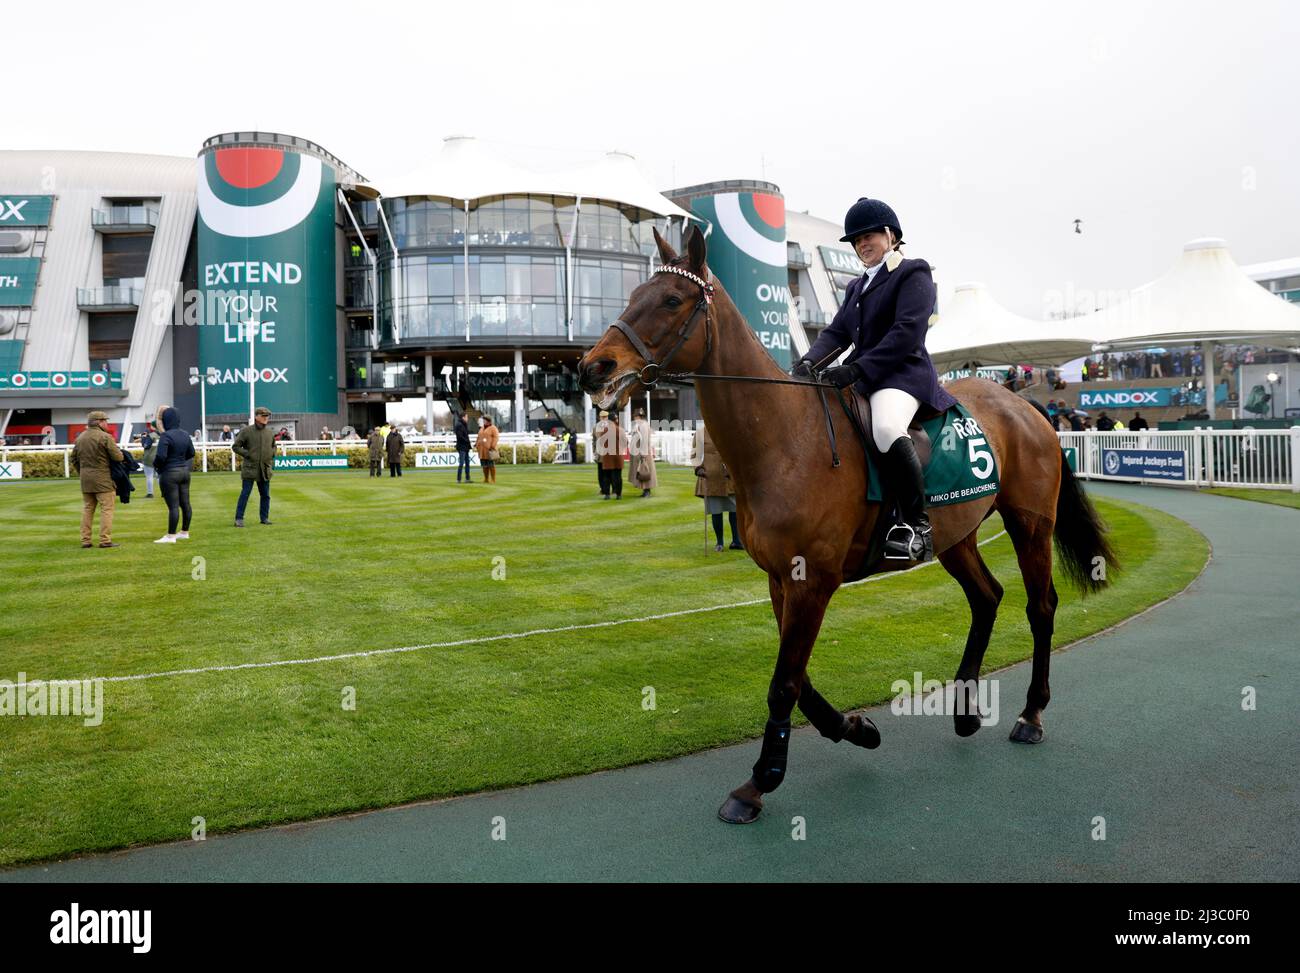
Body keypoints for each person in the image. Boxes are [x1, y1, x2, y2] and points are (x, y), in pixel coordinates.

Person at [790, 197, 957, 562]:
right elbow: (836, 334)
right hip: (864, 379)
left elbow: (906, 332)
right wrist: (807, 364)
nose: (862, 245)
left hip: (903, 375)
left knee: (884, 428)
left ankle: (917, 525)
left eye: (869, 236)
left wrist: (858, 369)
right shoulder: (855, 287)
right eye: (855, 240)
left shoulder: (914, 271)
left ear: (891, 235)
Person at [72, 410, 125, 548]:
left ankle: (86, 540)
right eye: (105, 421)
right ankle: (105, 540)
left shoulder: (80, 437)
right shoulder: (105, 437)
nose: (107, 423)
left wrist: (82, 472)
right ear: (99, 422)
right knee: (107, 509)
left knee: (88, 509)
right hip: (103, 479)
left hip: (86, 479)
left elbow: (74, 459)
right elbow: (118, 457)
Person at [694, 424, 742, 552]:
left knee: (735, 510)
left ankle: (736, 541)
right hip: (711, 478)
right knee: (716, 510)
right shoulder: (700, 433)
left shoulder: (730, 430)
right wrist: (698, 468)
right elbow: (695, 455)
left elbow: (738, 451)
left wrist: (733, 467)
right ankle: (719, 542)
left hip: (729, 478)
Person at [152, 405, 195, 543]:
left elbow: (161, 457)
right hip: (184, 471)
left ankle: (171, 536)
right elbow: (192, 452)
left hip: (170, 473)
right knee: (186, 504)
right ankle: (184, 532)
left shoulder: (166, 435)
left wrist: (157, 466)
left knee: (173, 506)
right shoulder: (185, 434)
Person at [233, 406, 276, 526]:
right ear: (257, 417)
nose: (266, 418)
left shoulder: (269, 432)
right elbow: (235, 447)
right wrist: (248, 454)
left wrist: (271, 454)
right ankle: (239, 518)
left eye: (267, 416)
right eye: (263, 416)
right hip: (250, 469)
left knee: (266, 496)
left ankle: (264, 518)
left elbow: (274, 446)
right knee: (245, 494)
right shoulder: (246, 431)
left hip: (265, 469)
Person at [593, 409, 626, 499]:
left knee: (606, 476)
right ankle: (618, 495)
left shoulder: (604, 430)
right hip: (618, 456)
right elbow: (625, 443)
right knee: (618, 476)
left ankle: (607, 494)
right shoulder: (621, 430)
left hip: (607, 457)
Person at [627, 407, 658, 498]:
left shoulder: (643, 425)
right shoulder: (638, 425)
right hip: (638, 452)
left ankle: (647, 491)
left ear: (638, 416)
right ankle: (645, 490)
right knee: (641, 472)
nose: (634, 418)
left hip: (643, 453)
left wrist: (643, 454)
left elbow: (644, 440)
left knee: (645, 471)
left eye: (635, 416)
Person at [476, 415, 500, 483]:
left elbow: (496, 437)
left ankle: (493, 479)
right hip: (482, 450)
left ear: (488, 421)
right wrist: (477, 444)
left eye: (485, 420)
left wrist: (492, 446)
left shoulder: (493, 428)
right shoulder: (482, 428)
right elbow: (478, 437)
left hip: (489, 450)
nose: (483, 421)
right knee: (484, 465)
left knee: (491, 465)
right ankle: (486, 479)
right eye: (483, 420)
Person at [138, 422, 159, 498]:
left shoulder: (150, 435)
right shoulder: (162, 435)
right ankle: (164, 492)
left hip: (149, 458)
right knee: (159, 476)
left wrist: (143, 438)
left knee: (149, 476)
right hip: (159, 458)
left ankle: (150, 493)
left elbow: (145, 445)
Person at [453, 412, 473, 482]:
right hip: (462, 446)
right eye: (466, 417)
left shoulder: (464, 424)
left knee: (467, 463)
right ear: (463, 417)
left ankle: (467, 478)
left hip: (465, 446)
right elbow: (460, 436)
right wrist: (467, 441)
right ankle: (458, 479)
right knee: (461, 463)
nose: (467, 418)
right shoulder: (459, 425)